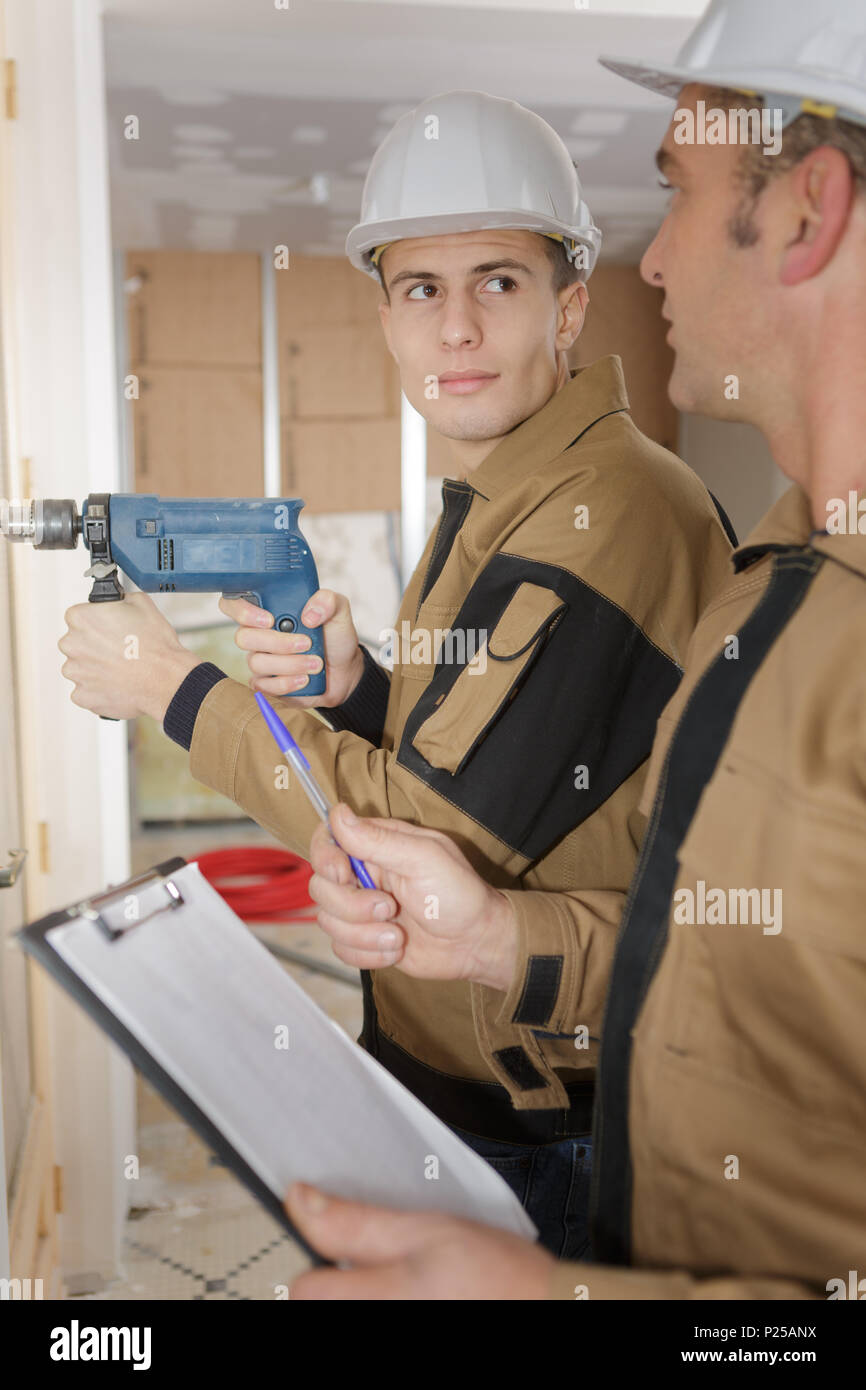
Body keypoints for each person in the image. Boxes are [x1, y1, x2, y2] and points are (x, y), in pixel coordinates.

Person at [58, 92, 733, 1258]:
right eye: (421, 289)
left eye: (497, 282)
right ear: (384, 316)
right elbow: (523, 767)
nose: (455, 330)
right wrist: (360, 685)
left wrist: (174, 689)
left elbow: (417, 839)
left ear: (568, 306)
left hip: (546, 1126)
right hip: (474, 1083)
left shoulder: (602, 512)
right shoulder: (506, 490)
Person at [282, 0, 866, 1298]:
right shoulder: (783, 575)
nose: (653, 260)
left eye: (677, 190)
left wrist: (556, 1300)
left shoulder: (654, 522)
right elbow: (729, 972)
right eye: (419, 289)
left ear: (807, 208)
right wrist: (497, 935)